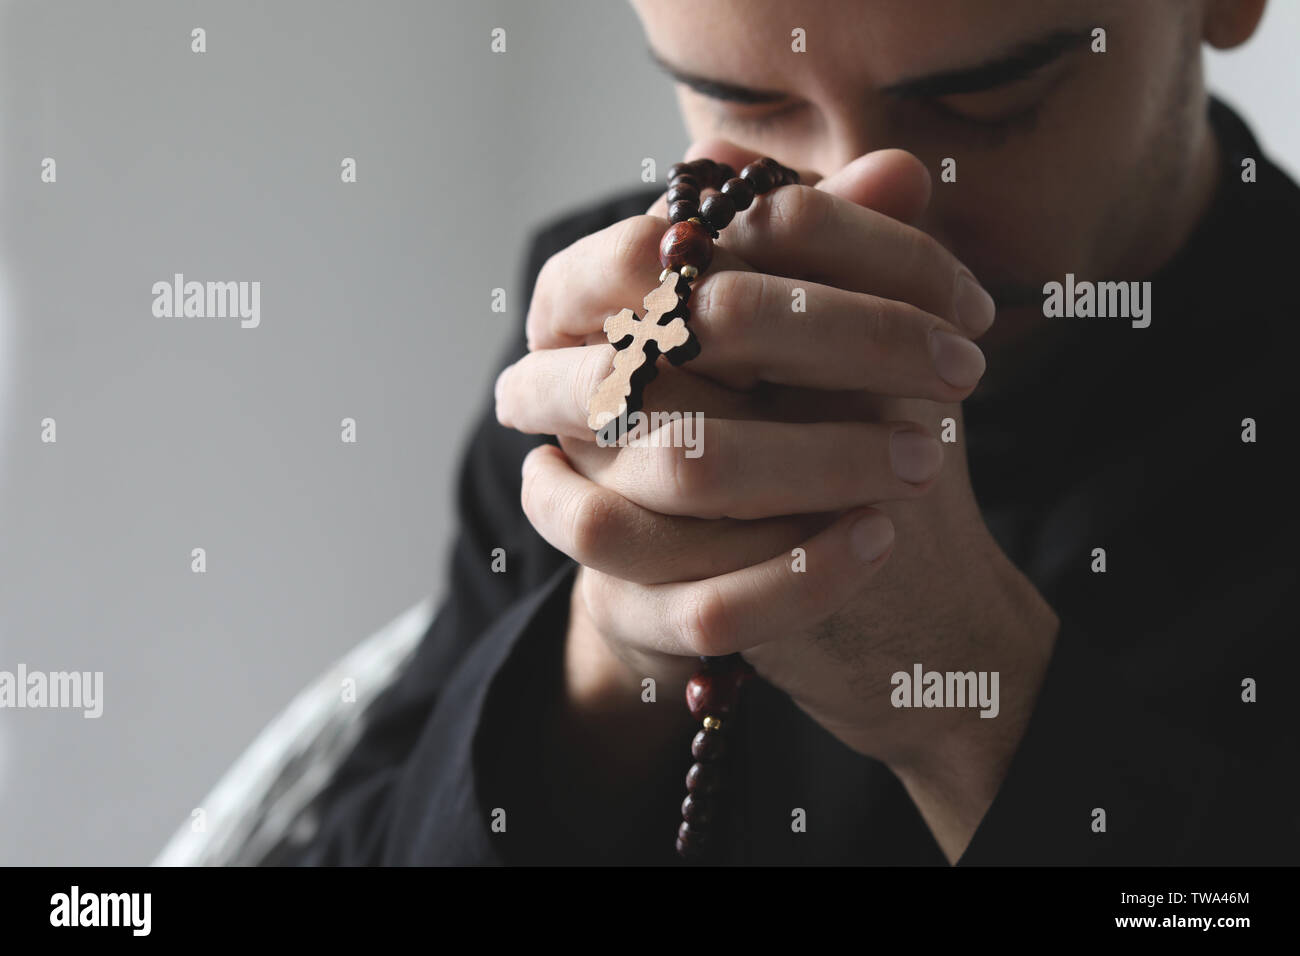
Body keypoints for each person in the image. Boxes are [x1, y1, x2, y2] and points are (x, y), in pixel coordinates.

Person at [291, 0, 1298, 865]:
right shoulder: (616, 326)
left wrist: (964, 709)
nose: (861, 205)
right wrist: (609, 651)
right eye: (745, 105)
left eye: (983, 107)